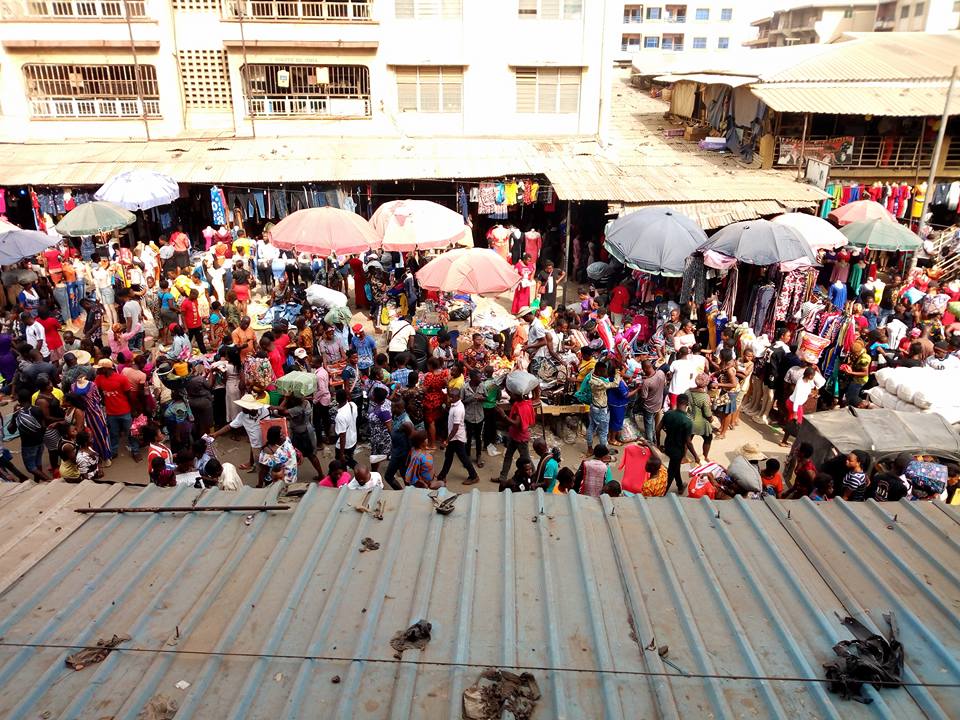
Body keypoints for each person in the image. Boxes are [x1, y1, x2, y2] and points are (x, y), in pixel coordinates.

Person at [210, 394, 271, 472]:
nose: (241, 408)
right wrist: (216, 434)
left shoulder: (264, 410)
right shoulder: (242, 416)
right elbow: (229, 426)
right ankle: (253, 464)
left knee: (265, 466)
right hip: (255, 444)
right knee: (259, 462)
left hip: (267, 441)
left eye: (243, 407)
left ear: (249, 407)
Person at [94, 359, 139, 462]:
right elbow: (96, 389)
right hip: (110, 413)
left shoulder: (121, 379)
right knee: (113, 433)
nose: (97, 371)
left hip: (125, 411)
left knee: (131, 433)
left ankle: (135, 451)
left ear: (106, 369)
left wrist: (133, 410)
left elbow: (129, 395)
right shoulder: (99, 378)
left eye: (100, 369)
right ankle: (113, 451)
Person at [436, 387, 480, 485]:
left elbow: (455, 428)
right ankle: (442, 476)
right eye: (450, 397)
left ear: (458, 397)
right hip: (454, 437)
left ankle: (474, 476)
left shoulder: (458, 409)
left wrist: (446, 441)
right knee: (449, 456)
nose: (450, 399)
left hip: (457, 438)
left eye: (452, 397)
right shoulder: (455, 405)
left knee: (463, 458)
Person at [8, 389, 50, 482]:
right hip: (40, 441)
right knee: (38, 463)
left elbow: (11, 430)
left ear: (19, 400)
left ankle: (49, 480)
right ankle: (37, 481)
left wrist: (14, 414)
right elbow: (43, 426)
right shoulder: (37, 409)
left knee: (31, 467)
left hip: (28, 445)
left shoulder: (18, 414)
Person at [660, 394, 698, 494]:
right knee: (671, 473)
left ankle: (680, 486)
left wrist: (658, 443)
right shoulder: (687, 421)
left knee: (675, 467)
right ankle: (662, 493)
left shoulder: (668, 414)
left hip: (668, 446)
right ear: (687, 404)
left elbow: (657, 429)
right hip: (678, 451)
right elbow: (688, 442)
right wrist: (696, 456)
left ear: (677, 402)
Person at [497, 390, 535, 485]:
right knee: (508, 456)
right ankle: (502, 477)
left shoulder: (519, 406)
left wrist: (503, 415)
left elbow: (516, 423)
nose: (510, 395)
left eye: (511, 393)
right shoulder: (527, 403)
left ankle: (534, 477)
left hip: (520, 437)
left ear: (517, 394)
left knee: (526, 459)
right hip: (515, 435)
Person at [586, 360, 620, 454]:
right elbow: (615, 384)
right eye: (604, 371)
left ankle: (589, 449)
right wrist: (617, 371)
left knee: (591, 427)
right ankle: (603, 453)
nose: (606, 373)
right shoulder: (599, 383)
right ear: (599, 372)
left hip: (593, 406)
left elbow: (599, 366)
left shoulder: (592, 374)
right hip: (601, 409)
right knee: (603, 432)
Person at [422, 357, 449, 450]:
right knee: (437, 420)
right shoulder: (443, 373)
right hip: (440, 398)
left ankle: (432, 444)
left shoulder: (430, 375)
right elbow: (445, 385)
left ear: (430, 365)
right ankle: (436, 439)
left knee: (430, 422)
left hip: (431, 400)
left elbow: (424, 389)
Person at [461, 370, 486, 469]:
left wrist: (482, 398)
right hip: (469, 416)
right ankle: (467, 457)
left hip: (479, 416)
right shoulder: (464, 387)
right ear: (472, 378)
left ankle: (478, 456)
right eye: (478, 377)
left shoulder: (482, 386)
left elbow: (486, 397)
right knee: (469, 436)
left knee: (478, 437)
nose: (480, 379)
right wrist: (472, 398)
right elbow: (461, 401)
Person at [687, 373, 714, 462]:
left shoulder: (688, 391)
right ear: (706, 384)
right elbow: (707, 413)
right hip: (701, 422)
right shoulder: (704, 397)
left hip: (689, 419)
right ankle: (705, 457)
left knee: (687, 439)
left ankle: (683, 457)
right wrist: (711, 419)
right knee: (708, 438)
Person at [367, 385, 393, 471]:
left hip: (381, 438)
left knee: (375, 457)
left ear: (376, 398)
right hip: (376, 436)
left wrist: (394, 440)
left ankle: (374, 472)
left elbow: (389, 427)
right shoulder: (385, 402)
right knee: (376, 457)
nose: (372, 395)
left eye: (373, 394)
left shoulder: (383, 411)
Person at [334, 388, 358, 469]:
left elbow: (342, 436)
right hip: (353, 439)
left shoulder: (340, 416)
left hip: (345, 445)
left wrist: (341, 454)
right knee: (349, 460)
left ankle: (361, 471)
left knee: (342, 463)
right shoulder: (352, 405)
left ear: (336, 399)